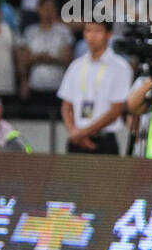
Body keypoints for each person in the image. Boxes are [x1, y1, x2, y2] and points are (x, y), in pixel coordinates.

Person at [57, 19, 133, 154]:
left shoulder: (120, 67)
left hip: (104, 140)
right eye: (88, 30)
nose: (91, 36)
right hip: (76, 139)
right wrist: (73, 131)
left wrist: (83, 132)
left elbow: (116, 110)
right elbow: (66, 105)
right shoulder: (76, 65)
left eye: (98, 31)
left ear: (109, 34)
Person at [18, 0, 75, 118]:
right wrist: (24, 80)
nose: (48, 11)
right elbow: (24, 61)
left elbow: (68, 60)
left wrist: (52, 59)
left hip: (58, 85)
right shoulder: (30, 32)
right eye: (45, 7)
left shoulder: (63, 31)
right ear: (38, 9)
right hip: (36, 84)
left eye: (51, 8)